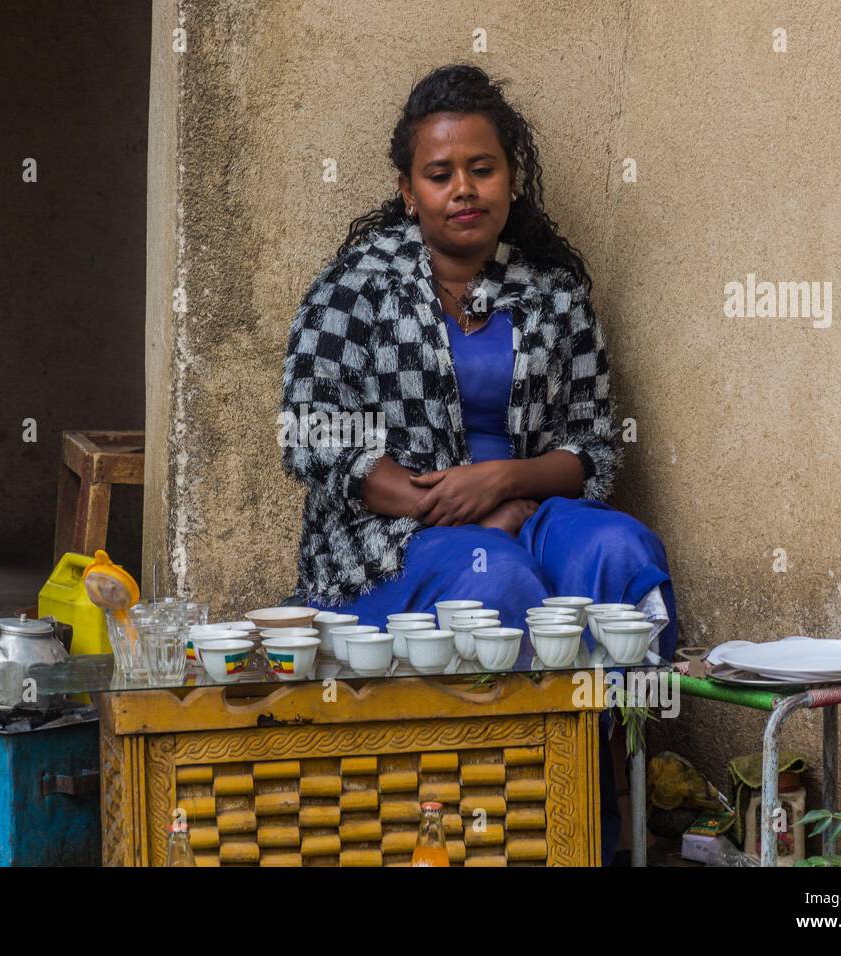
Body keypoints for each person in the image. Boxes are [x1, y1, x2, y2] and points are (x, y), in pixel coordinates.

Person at [280, 64, 677, 865]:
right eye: (440, 174)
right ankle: (499, 832)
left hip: (530, 510)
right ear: (408, 190)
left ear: (509, 178)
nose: (463, 188)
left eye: (482, 168)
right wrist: (447, 505)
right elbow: (315, 435)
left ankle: (589, 808)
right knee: (493, 577)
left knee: (622, 555)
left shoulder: (553, 294)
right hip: (392, 531)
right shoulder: (355, 290)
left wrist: (504, 484)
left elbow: (592, 448)